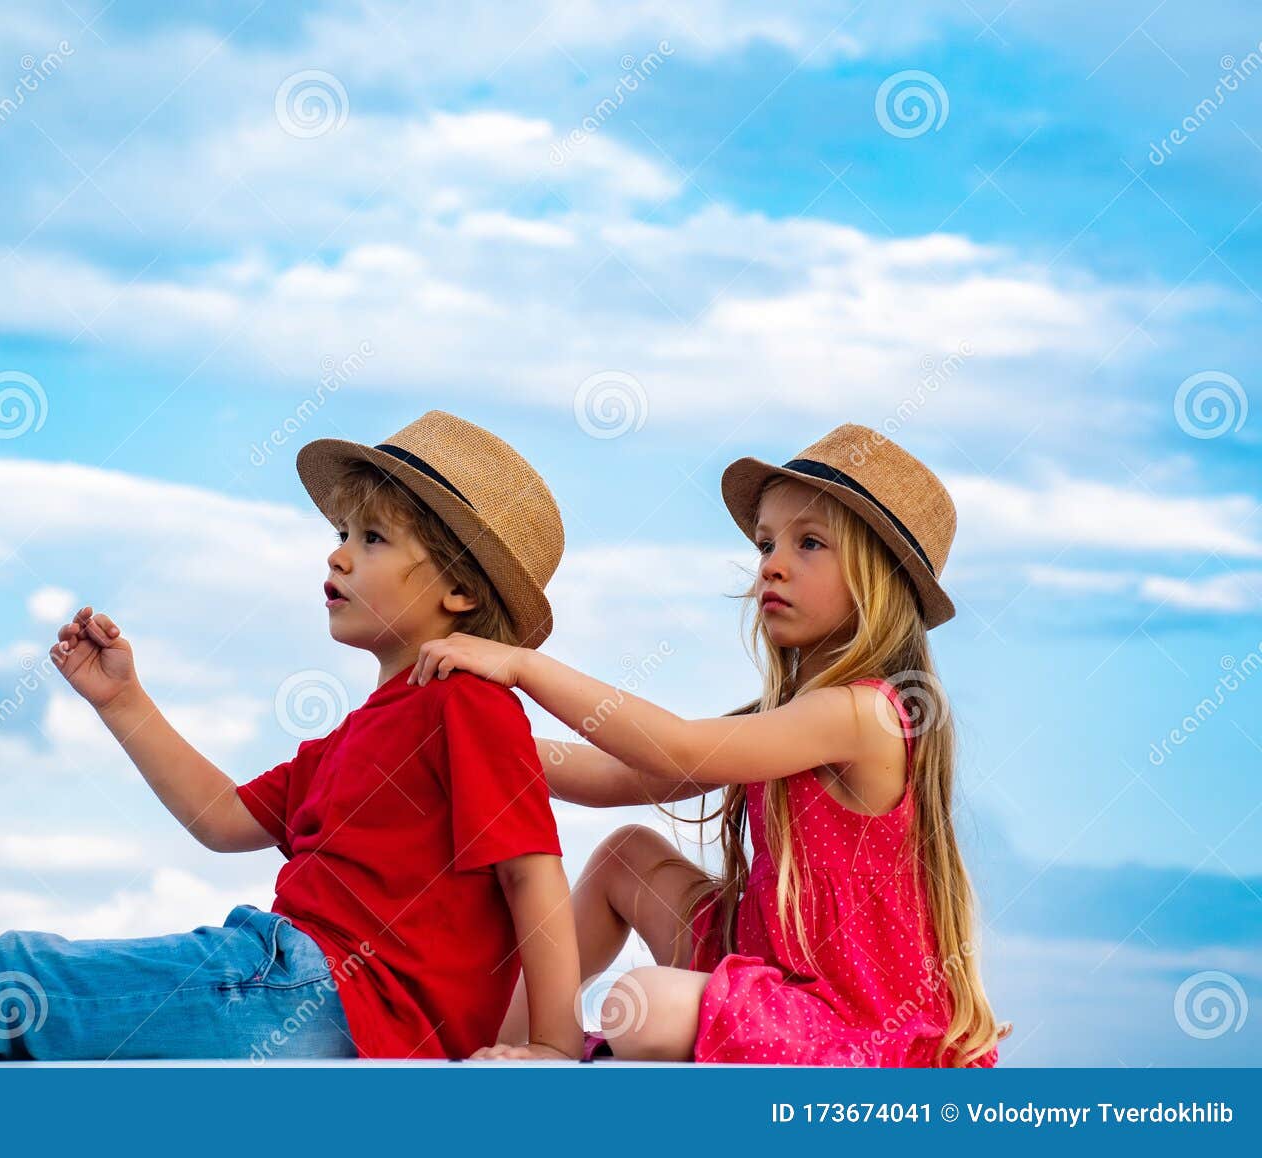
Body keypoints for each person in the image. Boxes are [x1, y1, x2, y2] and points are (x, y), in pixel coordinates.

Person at [0, 410, 582, 1065]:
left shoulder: (468, 703)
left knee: (23, 980)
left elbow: (532, 872)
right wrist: (124, 701)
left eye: (373, 538)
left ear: (459, 592)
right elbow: (225, 818)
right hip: (295, 993)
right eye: (341, 530)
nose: (337, 553)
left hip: (312, 994)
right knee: (12, 1025)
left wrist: (549, 1047)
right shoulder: (364, 733)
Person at [412, 424, 1011, 1066]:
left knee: (640, 1005)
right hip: (768, 973)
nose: (772, 564)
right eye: (766, 543)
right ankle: (512, 1046)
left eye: (809, 543)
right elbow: (617, 777)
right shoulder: (785, 718)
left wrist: (523, 667)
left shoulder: (864, 714)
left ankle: (555, 1053)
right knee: (625, 856)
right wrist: (484, 739)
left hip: (848, 1024)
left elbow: (675, 746)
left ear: (880, 580)